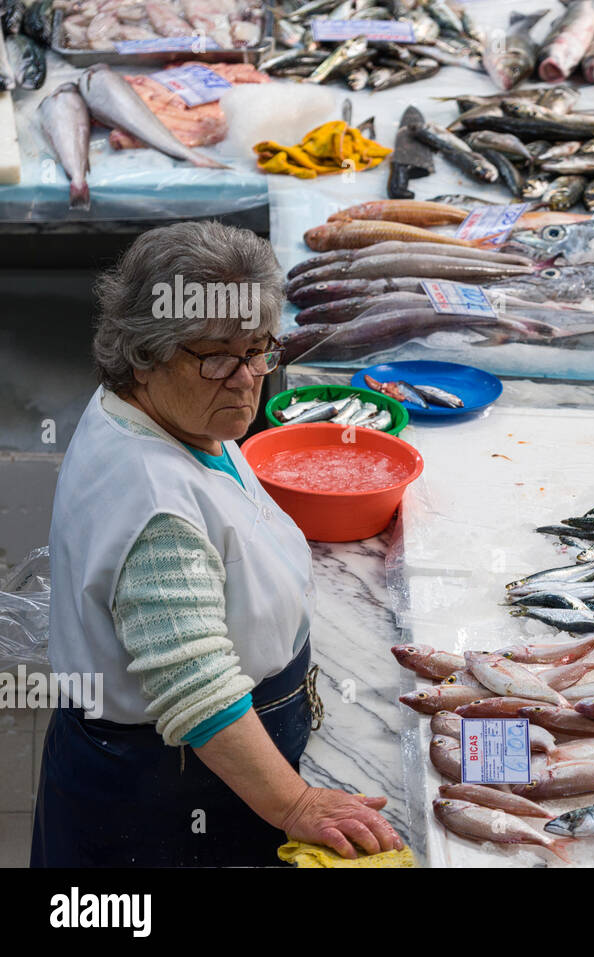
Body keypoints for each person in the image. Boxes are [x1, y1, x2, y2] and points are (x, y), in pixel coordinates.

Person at [32, 221, 403, 866]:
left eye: (261, 349)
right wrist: (295, 804)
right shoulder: (154, 507)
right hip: (168, 793)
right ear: (144, 355)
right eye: (217, 358)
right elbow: (196, 686)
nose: (248, 378)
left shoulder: (162, 407)